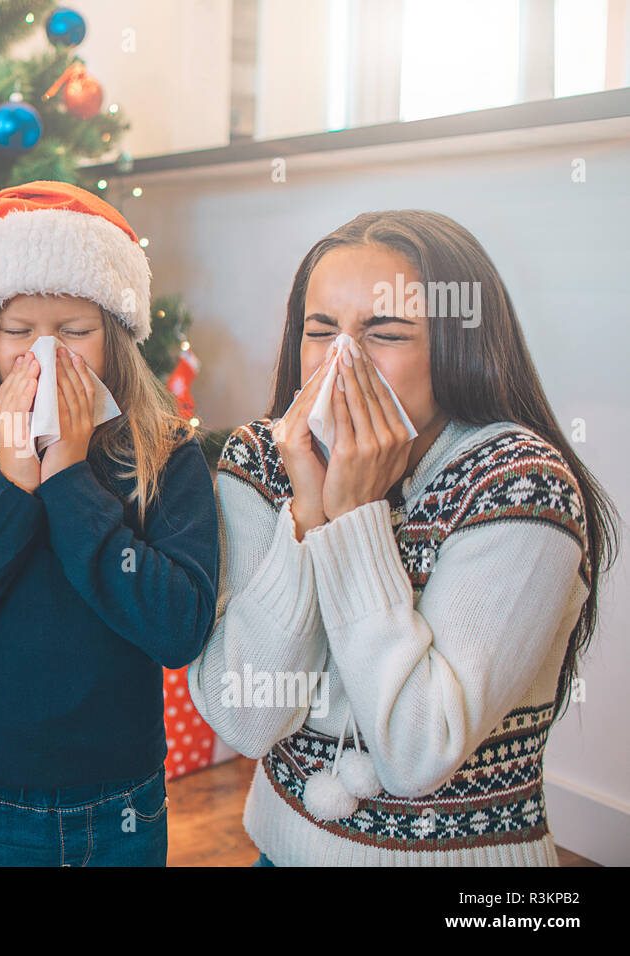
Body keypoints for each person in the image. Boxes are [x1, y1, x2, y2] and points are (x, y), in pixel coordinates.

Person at [188, 210, 619, 866]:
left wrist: (356, 515)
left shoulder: (519, 484)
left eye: (385, 333)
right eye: (320, 330)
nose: (341, 360)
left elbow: (418, 753)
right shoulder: (264, 461)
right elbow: (246, 720)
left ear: (458, 348)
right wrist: (307, 516)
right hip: (279, 852)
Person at [0, 181, 220, 866]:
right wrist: (10, 491)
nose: (45, 353)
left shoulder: (165, 457)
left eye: (75, 331)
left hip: (123, 796)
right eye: (19, 331)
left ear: (115, 340)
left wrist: (67, 483)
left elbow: (180, 629)